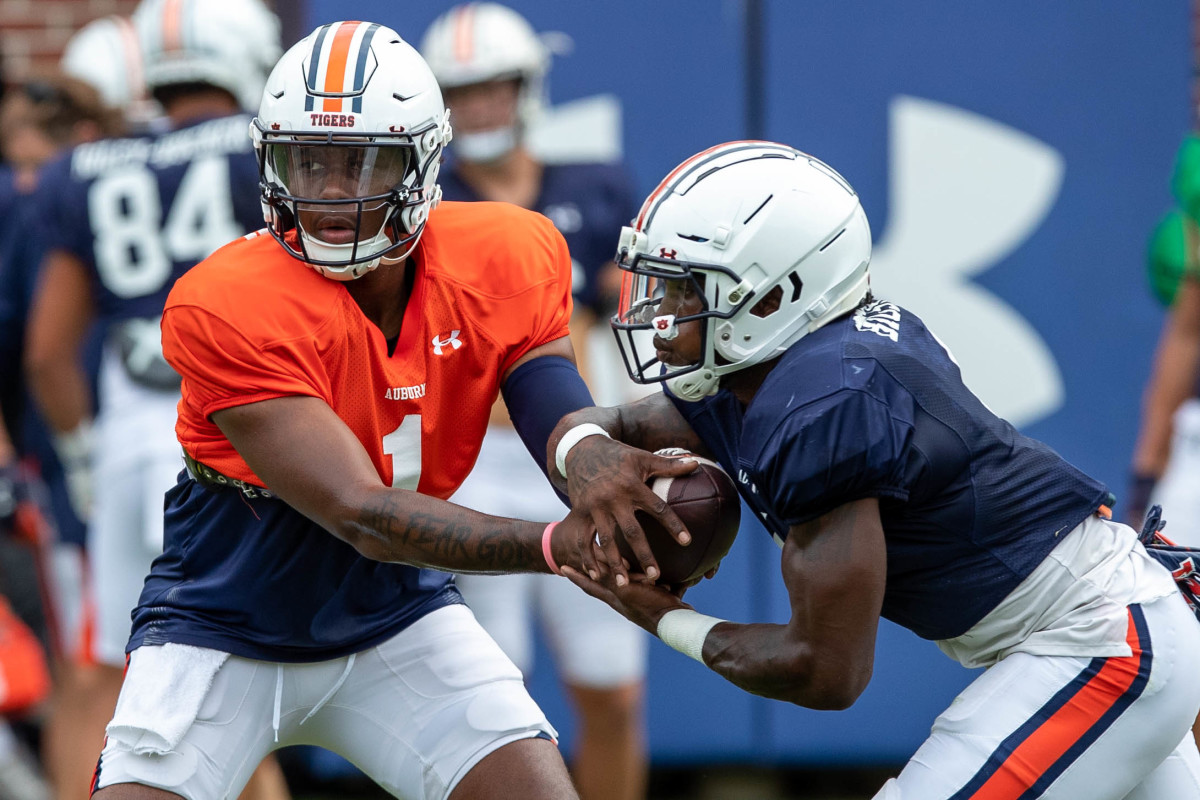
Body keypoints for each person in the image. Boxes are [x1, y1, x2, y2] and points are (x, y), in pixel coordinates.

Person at [87, 20, 688, 800]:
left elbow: (546, 392)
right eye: (309, 162)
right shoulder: (224, 301)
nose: (334, 193)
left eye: (362, 162)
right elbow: (360, 512)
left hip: (396, 616)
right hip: (223, 620)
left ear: (424, 162)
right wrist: (556, 543)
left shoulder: (507, 252)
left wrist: (590, 459)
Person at [551, 141, 1200, 799]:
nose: (661, 318)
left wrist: (662, 617)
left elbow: (826, 671)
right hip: (1108, 630)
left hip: (1096, 640)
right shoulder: (782, 366)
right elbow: (622, 425)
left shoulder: (825, 402)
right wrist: (581, 454)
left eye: (687, 289)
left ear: (773, 298)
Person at [23, 2, 290, 798]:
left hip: (130, 447)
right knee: (241, 682)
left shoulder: (89, 165)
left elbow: (46, 353)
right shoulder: (262, 149)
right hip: (241, 441)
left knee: (107, 675)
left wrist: (80, 462)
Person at [419, 6, 648, 799]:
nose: (482, 108)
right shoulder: (425, 207)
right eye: (463, 93)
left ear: (528, 90)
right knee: (493, 697)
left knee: (612, 687)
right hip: (471, 460)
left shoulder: (595, 184)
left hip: (582, 452)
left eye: (495, 89)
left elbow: (643, 314)